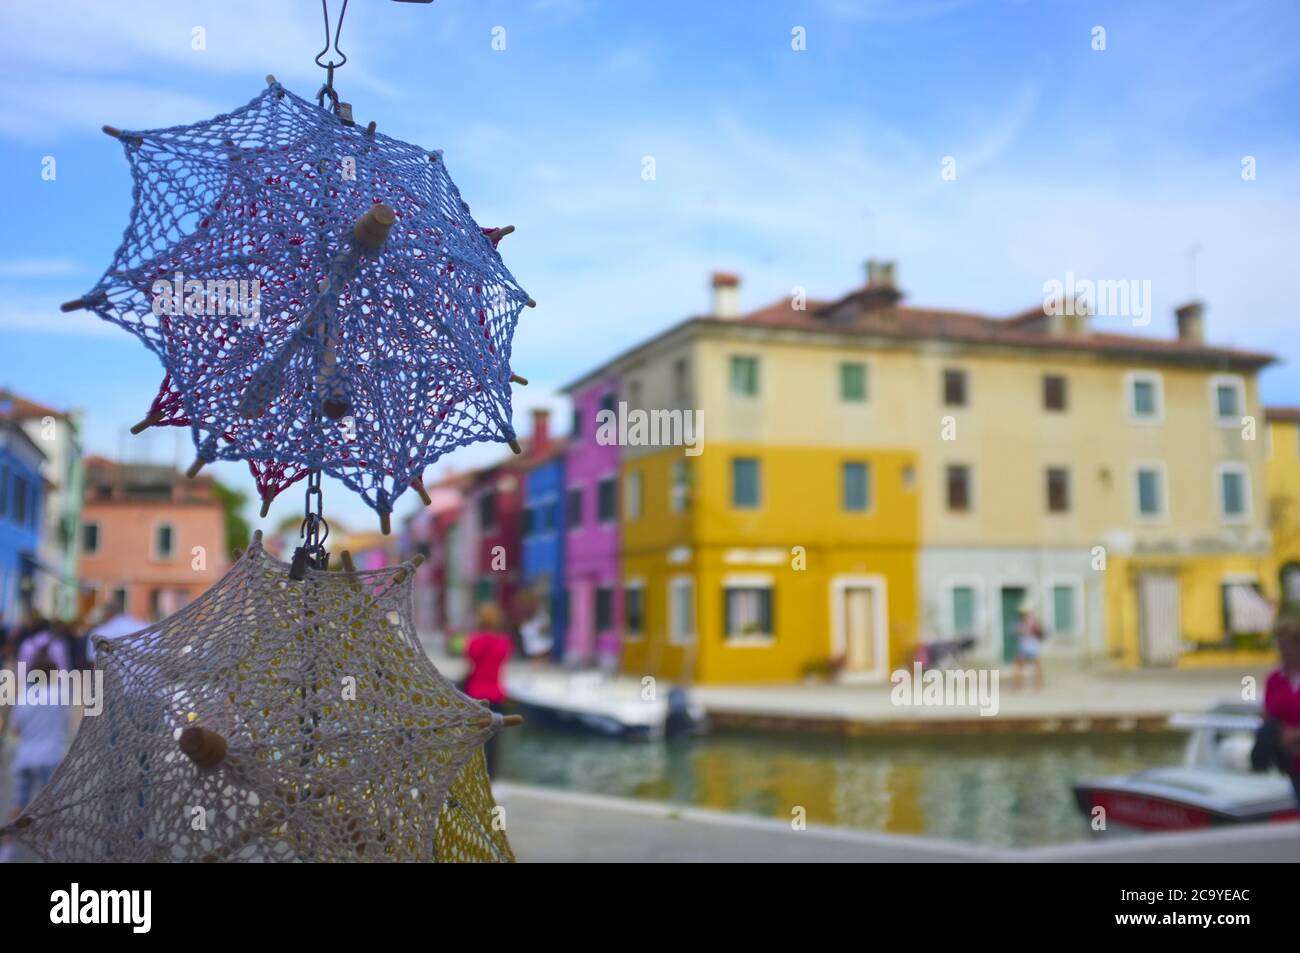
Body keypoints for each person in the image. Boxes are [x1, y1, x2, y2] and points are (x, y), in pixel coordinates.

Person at [2, 644, 74, 859]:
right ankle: (50, 851)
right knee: (51, 807)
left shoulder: (25, 697)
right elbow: (66, 723)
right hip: (51, 756)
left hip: (25, 757)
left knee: (18, 805)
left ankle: (5, 850)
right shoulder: (62, 694)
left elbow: (15, 729)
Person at [462, 602, 513, 777]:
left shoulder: (474, 641)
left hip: (475, 695)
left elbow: (469, 658)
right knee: (494, 741)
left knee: (475, 740)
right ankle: (491, 777)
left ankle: (474, 775)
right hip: (497, 696)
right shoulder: (504, 643)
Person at [1262, 617, 1300, 806]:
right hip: (1291, 762)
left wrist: (1295, 735)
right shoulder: (1275, 679)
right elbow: (1269, 714)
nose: (1283, 651)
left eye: (1287, 646)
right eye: (1280, 646)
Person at [1012, 600, 1045, 691]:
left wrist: (1033, 627)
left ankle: (1038, 685)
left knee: (1036, 666)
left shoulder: (1033, 621)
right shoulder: (1020, 621)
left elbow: (1039, 632)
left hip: (1031, 645)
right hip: (1023, 645)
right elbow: (1016, 631)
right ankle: (1018, 686)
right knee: (1019, 666)